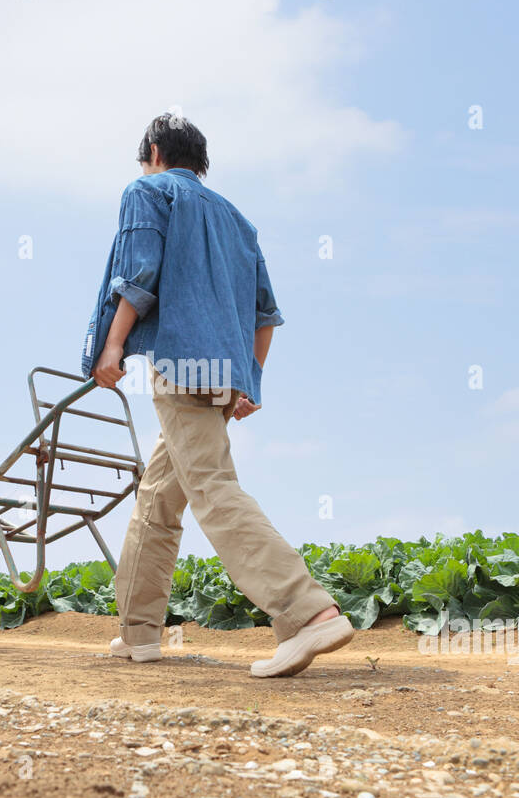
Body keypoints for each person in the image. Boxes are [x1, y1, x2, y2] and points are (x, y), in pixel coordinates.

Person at [82, 113, 354, 678]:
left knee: (211, 487)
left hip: (180, 361)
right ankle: (139, 633)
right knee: (158, 496)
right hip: (222, 373)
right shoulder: (237, 219)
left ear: (154, 151)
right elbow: (266, 315)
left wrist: (111, 347)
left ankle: (309, 614)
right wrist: (249, 380)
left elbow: (138, 275)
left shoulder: (146, 191)